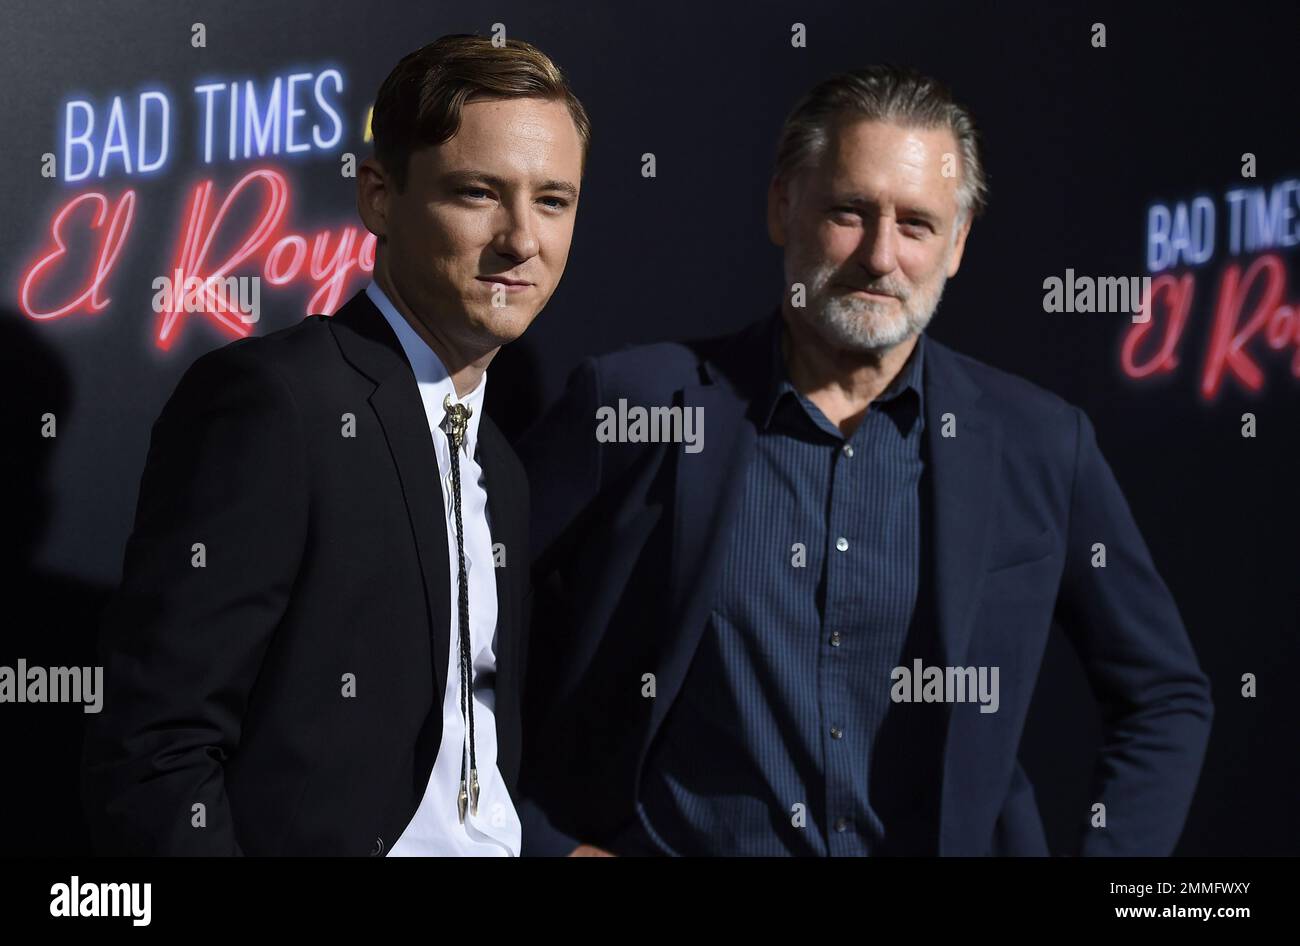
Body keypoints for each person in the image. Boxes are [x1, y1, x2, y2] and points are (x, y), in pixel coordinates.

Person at [517, 65, 1212, 857]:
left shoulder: (1041, 444)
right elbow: (461, 633)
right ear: (783, 207)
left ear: (958, 243)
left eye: (917, 224)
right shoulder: (634, 405)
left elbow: (1164, 696)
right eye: (849, 212)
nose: (881, 256)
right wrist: (542, 846)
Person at [81, 34, 589, 855]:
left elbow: (457, 753)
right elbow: (158, 751)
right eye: (477, 193)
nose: (521, 238)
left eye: (554, 200)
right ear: (380, 198)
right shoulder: (274, 403)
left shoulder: (501, 461)